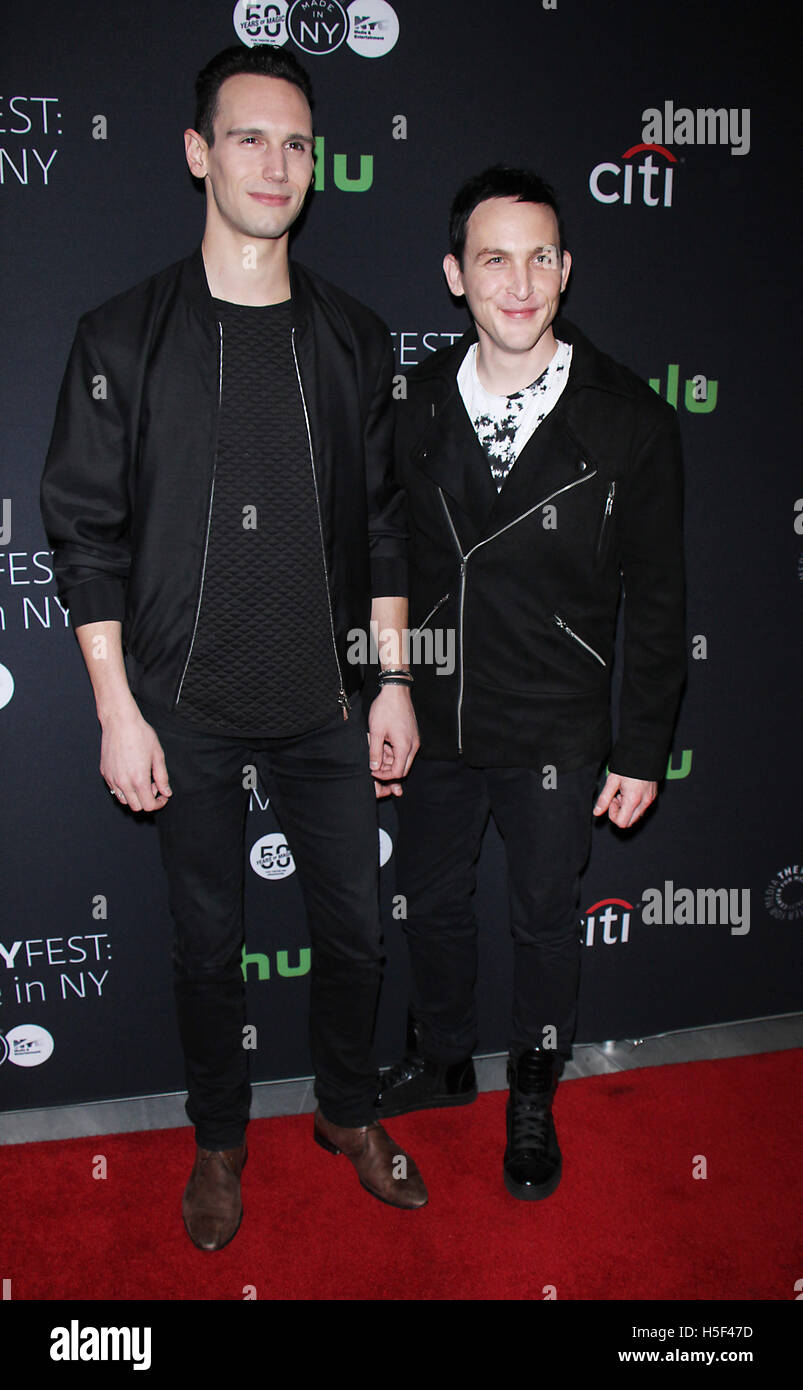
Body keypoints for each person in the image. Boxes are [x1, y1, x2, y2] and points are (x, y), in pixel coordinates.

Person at [40, 43, 427, 1250]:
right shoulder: (121, 336)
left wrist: (393, 681)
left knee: (357, 935)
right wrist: (117, 709)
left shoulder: (354, 338)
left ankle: (345, 1112)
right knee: (207, 947)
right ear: (198, 153)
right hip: (184, 704)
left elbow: (383, 526)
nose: (275, 162)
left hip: (326, 702)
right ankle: (217, 1139)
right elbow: (85, 536)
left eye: (295, 142)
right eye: (249, 136)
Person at [378, 165, 686, 1201]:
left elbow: (659, 600)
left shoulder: (629, 418)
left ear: (565, 269)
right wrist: (379, 690)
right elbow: (381, 559)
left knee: (544, 919)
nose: (518, 283)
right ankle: (442, 1057)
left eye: (539, 258)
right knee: (430, 902)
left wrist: (640, 748)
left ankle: (531, 1093)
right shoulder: (411, 402)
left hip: (555, 724)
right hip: (434, 712)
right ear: (454, 275)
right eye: (493, 259)